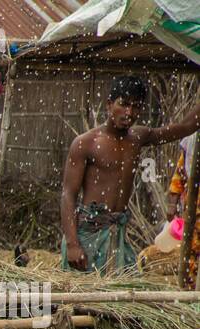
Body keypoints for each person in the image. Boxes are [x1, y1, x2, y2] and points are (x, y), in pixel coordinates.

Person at [61, 77, 200, 274]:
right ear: (109, 104)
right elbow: (68, 195)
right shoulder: (86, 143)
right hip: (88, 234)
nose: (129, 113)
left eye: (136, 107)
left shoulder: (137, 138)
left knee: (118, 296)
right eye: (124, 104)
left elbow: (186, 128)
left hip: (117, 234)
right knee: (83, 295)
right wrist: (73, 244)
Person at [166, 132, 199, 288]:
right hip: (193, 213)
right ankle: (190, 297)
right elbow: (180, 175)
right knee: (190, 257)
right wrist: (172, 203)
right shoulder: (193, 141)